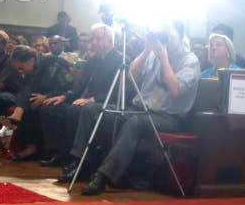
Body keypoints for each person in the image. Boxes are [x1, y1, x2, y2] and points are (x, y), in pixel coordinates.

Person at [64, 20, 199, 195]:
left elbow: (175, 91)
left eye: (168, 37)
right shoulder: (152, 55)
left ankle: (102, 176)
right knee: (92, 109)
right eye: (160, 37)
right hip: (139, 110)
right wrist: (147, 50)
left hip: (167, 118)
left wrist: (164, 57)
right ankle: (79, 163)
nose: (163, 42)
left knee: (135, 122)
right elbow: (130, 76)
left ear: (181, 36)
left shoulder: (190, 60)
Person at [38, 23, 123, 168]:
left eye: (99, 39)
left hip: (103, 103)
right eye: (93, 39)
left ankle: (73, 158)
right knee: (49, 108)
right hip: (81, 101)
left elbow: (117, 91)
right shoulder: (92, 60)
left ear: (110, 41)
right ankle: (57, 151)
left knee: (75, 110)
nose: (94, 43)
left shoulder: (120, 60)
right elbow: (79, 87)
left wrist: (91, 99)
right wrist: (64, 96)